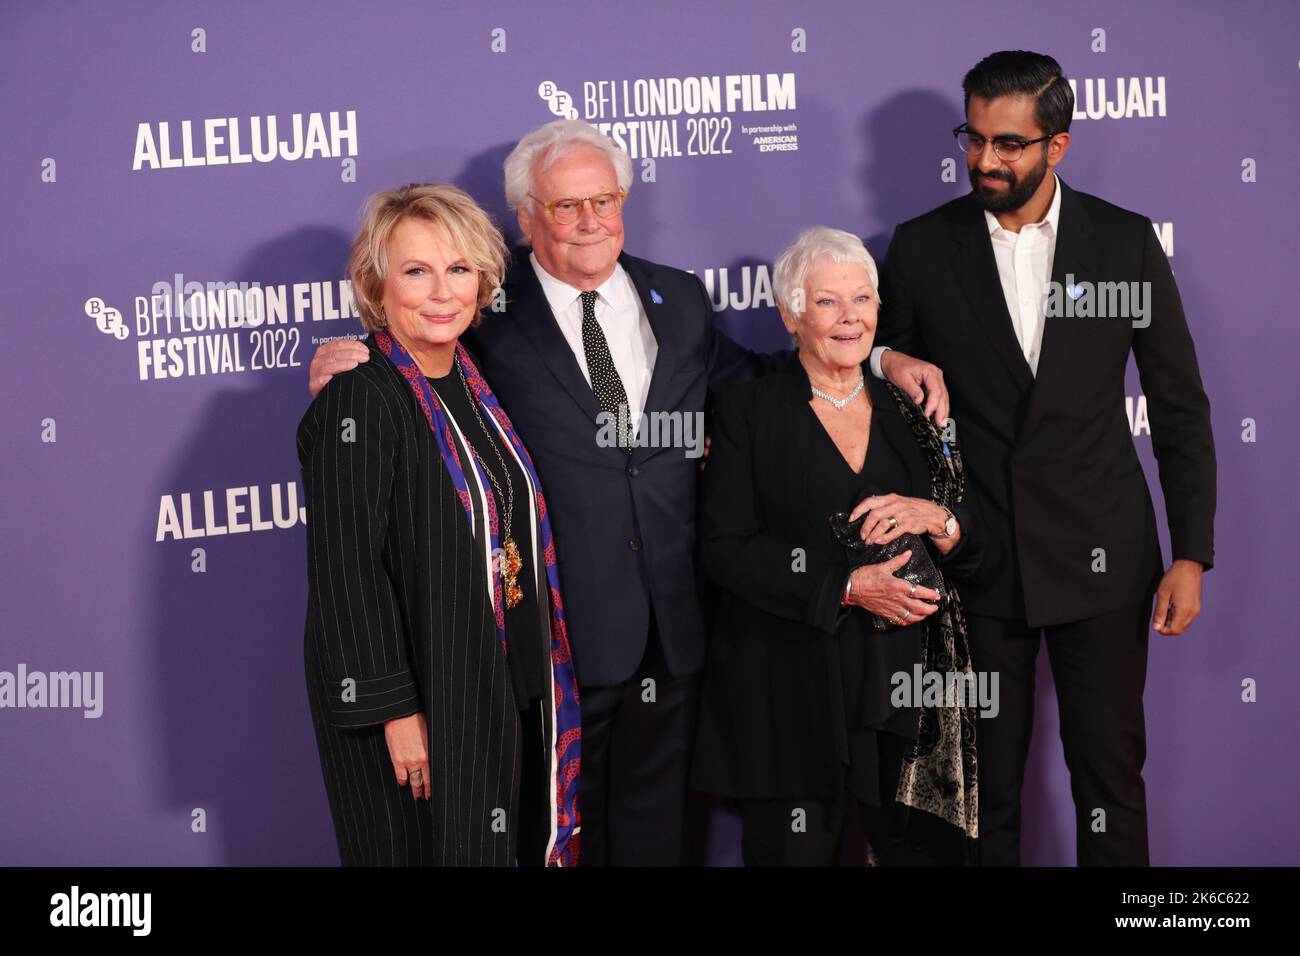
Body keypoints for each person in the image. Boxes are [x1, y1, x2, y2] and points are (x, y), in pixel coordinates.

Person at [307, 119, 951, 865]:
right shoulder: (480, 302)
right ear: (525, 216)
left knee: (655, 838)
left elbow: (764, 390)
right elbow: (417, 375)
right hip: (544, 639)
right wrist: (347, 359)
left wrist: (880, 358)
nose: (590, 222)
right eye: (565, 206)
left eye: (605, 200)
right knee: (545, 839)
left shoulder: (676, 298)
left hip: (674, 627)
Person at [868, 51, 1217, 865]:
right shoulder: (922, 247)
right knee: (981, 796)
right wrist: (888, 358)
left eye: (1010, 144)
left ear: (1057, 145)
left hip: (1105, 559)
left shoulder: (1124, 242)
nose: (986, 160)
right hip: (977, 562)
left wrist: (1192, 552)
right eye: (975, 138)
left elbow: (1178, 408)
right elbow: (866, 361)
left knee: (1110, 783)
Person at [298, 182, 580, 867]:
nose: (441, 292)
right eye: (416, 271)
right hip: (413, 702)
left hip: (493, 679)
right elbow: (346, 570)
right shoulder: (359, 396)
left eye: (458, 269)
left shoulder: (476, 380)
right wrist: (394, 712)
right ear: (377, 282)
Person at [691, 227, 985, 866]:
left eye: (863, 299)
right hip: (789, 686)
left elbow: (975, 534)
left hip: (911, 696)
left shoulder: (915, 407)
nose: (851, 317)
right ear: (791, 314)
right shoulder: (748, 410)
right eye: (827, 302)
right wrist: (846, 587)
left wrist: (939, 517)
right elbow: (725, 549)